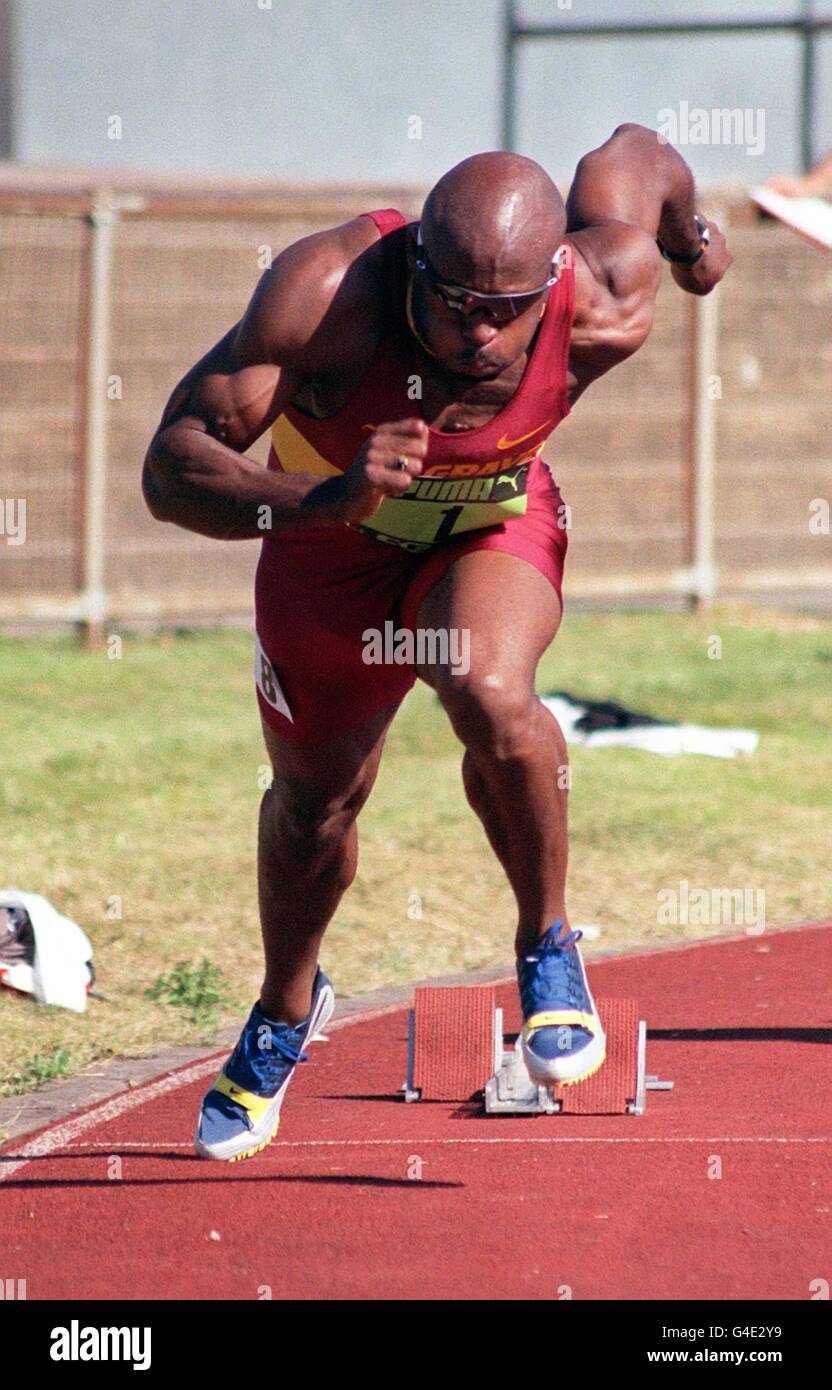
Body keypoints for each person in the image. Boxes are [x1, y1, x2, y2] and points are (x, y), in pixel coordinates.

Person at [142, 124, 731, 1162]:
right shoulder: (326, 296)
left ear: (553, 279)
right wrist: (324, 496)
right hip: (331, 549)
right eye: (453, 303)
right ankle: (286, 1006)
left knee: (486, 682)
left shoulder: (604, 289)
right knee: (312, 808)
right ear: (415, 261)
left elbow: (639, 158)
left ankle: (546, 945)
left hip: (489, 524)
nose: (478, 337)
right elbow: (172, 468)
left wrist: (690, 245)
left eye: (506, 313)